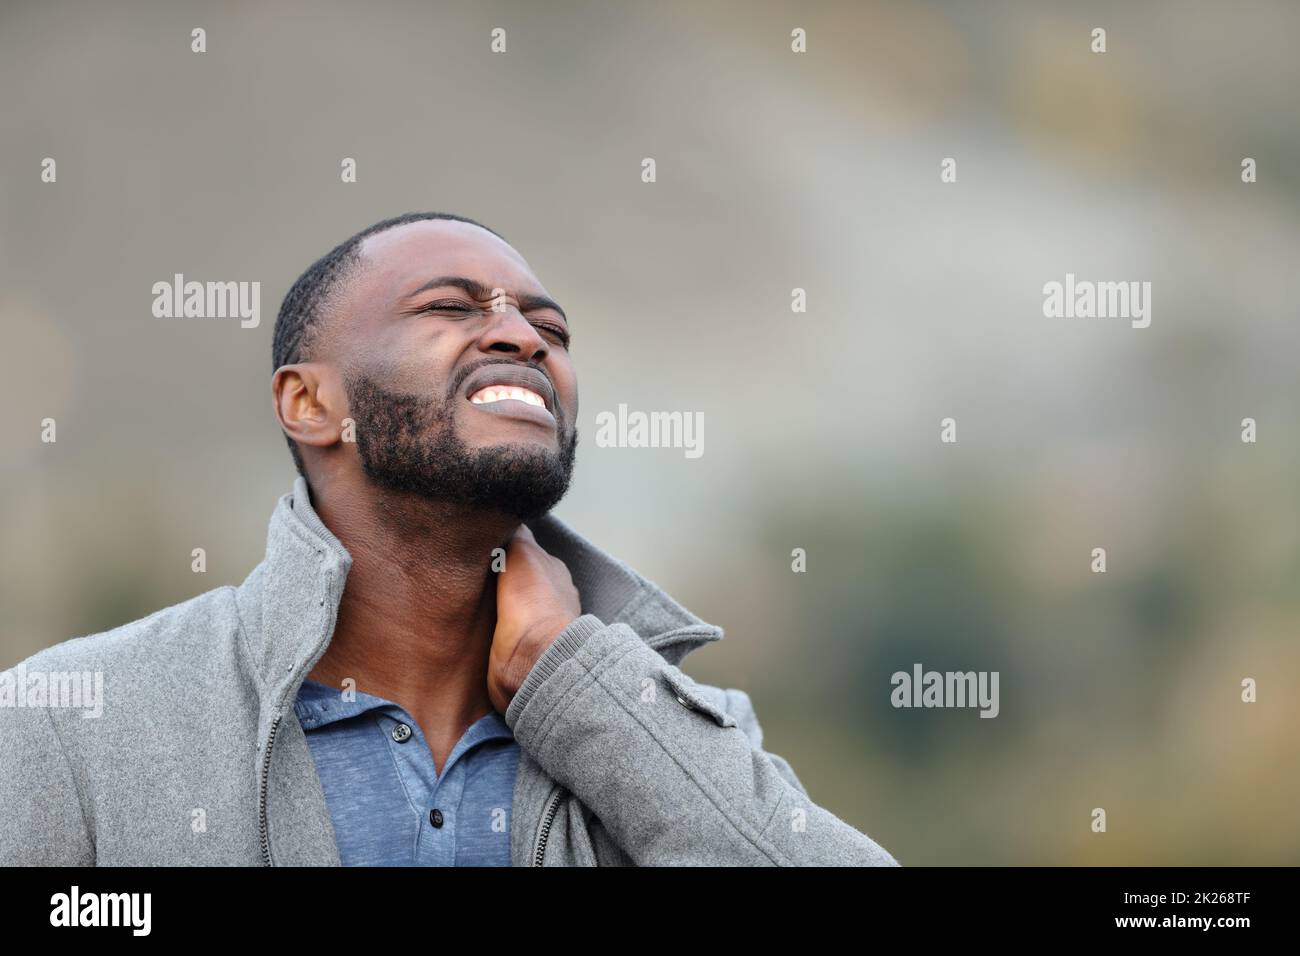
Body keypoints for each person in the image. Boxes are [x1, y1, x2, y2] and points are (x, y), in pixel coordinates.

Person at [0, 212, 898, 866]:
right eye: (448, 308)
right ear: (310, 403)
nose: (521, 336)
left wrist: (575, 684)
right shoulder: (73, 726)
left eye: (550, 330)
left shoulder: (660, 727)